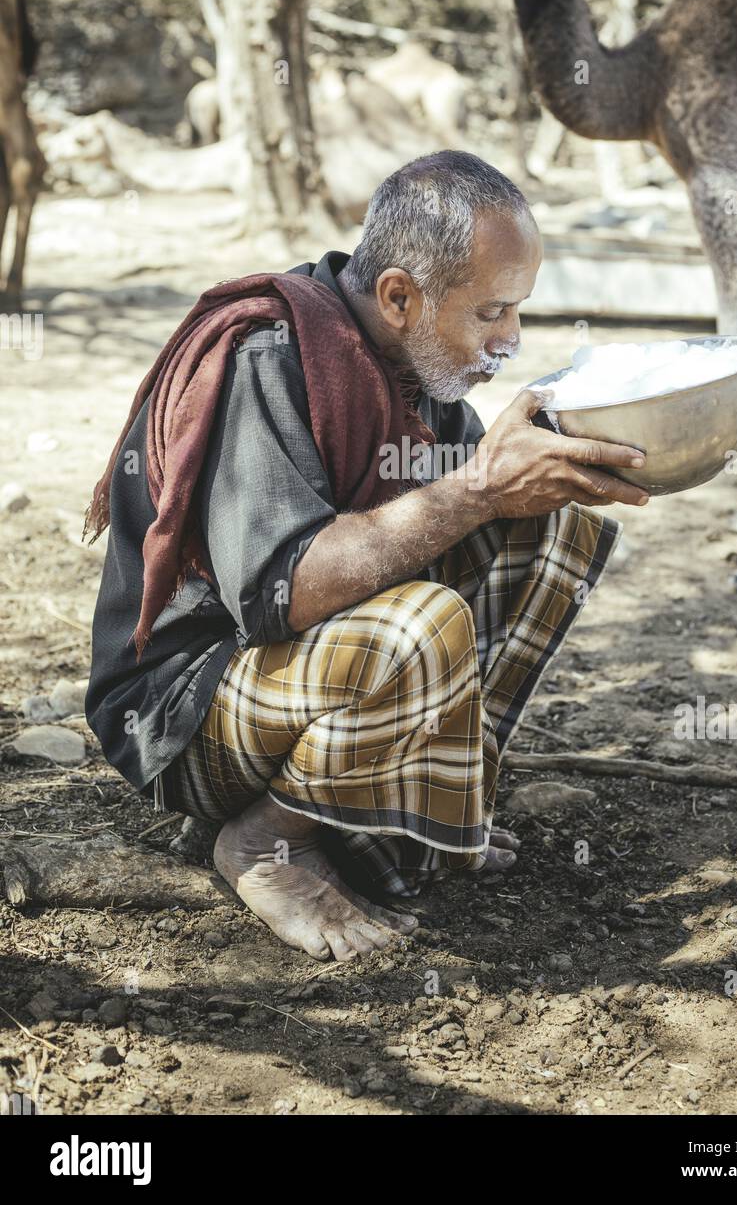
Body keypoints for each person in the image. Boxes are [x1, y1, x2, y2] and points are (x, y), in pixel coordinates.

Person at [84, 150, 648, 962]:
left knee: (562, 523)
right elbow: (285, 592)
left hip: (296, 678)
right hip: (187, 711)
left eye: (516, 312)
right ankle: (267, 844)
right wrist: (481, 490)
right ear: (398, 296)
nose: (510, 340)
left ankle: (431, 812)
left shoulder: (411, 365)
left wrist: (559, 468)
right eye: (492, 312)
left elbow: (461, 520)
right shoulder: (267, 357)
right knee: (419, 626)